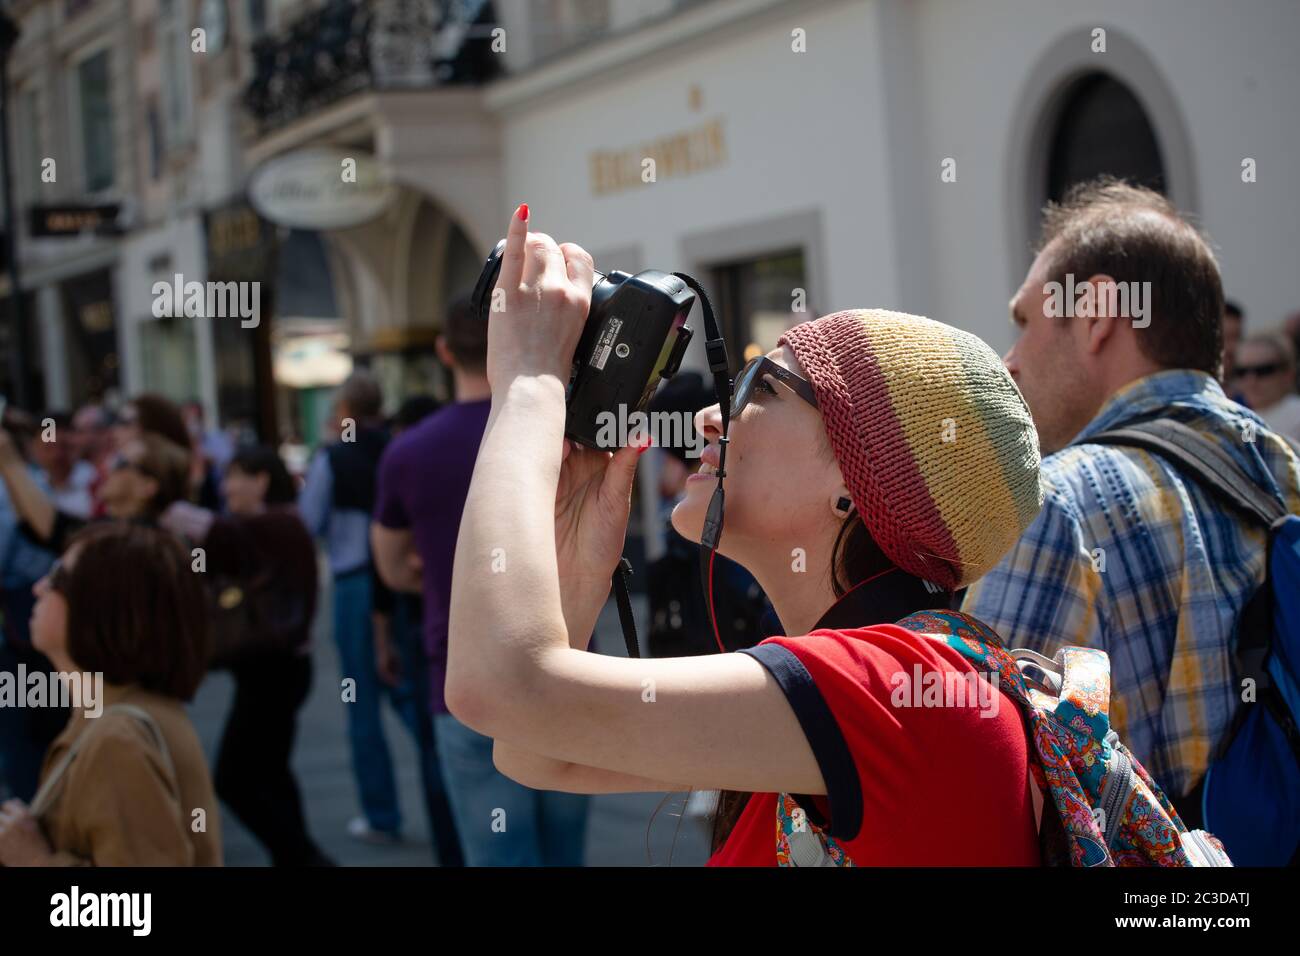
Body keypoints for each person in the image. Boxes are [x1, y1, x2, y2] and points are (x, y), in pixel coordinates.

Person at [443, 208, 1044, 865]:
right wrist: (584, 566)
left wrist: (530, 383)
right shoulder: (867, 683)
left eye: (762, 388)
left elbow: (496, 689)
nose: (707, 418)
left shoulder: (906, 687)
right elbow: (535, 751)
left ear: (860, 480)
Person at [962, 179, 1300, 819]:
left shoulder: (1059, 503)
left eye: (1026, 320)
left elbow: (979, 802)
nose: (1009, 359)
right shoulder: (1284, 471)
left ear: (1096, 315)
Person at [373, 294, 594, 866]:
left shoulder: (409, 451)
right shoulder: (568, 433)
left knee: (499, 856)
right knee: (565, 853)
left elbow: (393, 568)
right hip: (571, 667)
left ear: (445, 351)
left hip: (468, 678)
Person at [0, 522, 222, 866]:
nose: (39, 587)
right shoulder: (113, 715)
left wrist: (33, 861)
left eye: (59, 578)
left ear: (105, 607)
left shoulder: (117, 740)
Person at [163, 445, 334, 866]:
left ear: (261, 480)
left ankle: (305, 857)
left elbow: (220, 536)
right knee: (271, 772)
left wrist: (164, 504)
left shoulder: (277, 523)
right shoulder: (272, 525)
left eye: (236, 476)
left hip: (276, 669)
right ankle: (297, 857)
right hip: (275, 667)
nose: (227, 486)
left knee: (235, 777)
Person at [300, 371, 416, 844]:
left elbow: (309, 520)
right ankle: (444, 777)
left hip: (353, 584)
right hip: (401, 579)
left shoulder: (334, 458)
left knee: (361, 702)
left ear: (343, 410)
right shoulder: (394, 448)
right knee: (408, 690)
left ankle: (381, 814)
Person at [1233, 331, 1300, 443]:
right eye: (1242, 372)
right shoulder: (1242, 418)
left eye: (1263, 370)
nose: (1251, 381)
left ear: (1288, 374)